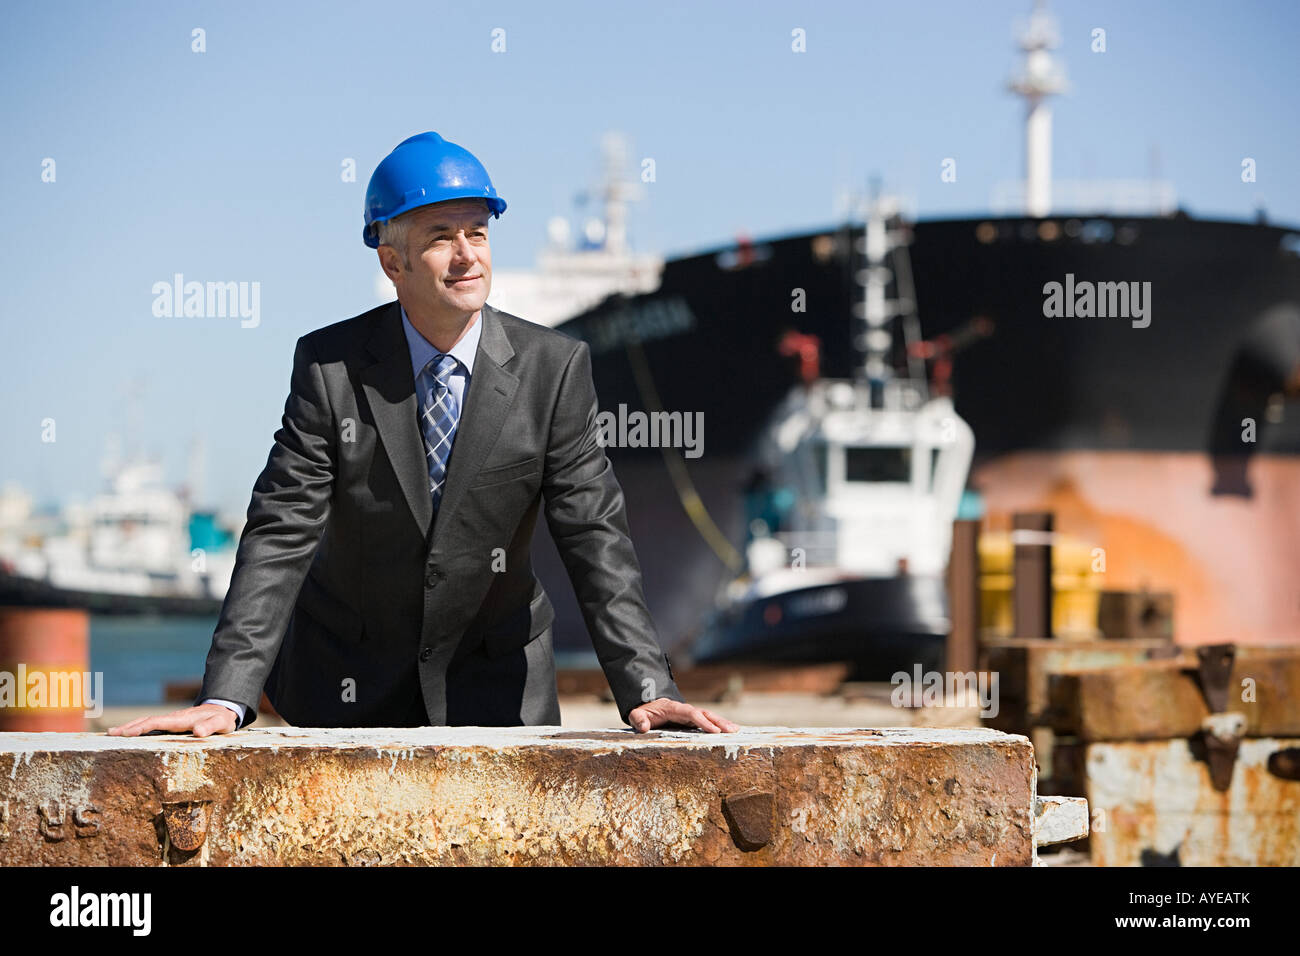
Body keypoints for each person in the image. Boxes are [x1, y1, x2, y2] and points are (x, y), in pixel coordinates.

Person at [109, 131, 737, 738]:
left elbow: (593, 534)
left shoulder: (554, 368)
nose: (468, 255)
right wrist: (226, 696)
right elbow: (283, 527)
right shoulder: (332, 368)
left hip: (498, 689)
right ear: (392, 260)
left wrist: (649, 688)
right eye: (441, 237)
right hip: (345, 689)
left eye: (478, 233)